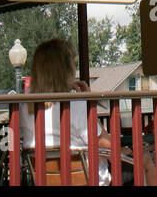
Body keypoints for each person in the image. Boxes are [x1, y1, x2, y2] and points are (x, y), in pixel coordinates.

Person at [20, 38, 110, 185]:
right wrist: (89, 103)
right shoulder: (75, 104)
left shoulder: (24, 105)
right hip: (91, 181)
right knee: (144, 160)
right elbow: (105, 145)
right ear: (64, 69)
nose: (75, 66)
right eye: (73, 62)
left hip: (48, 181)